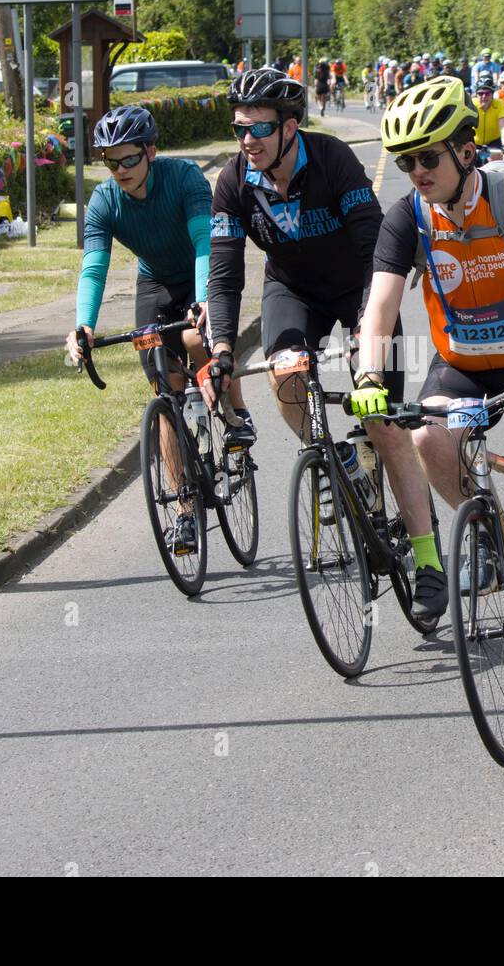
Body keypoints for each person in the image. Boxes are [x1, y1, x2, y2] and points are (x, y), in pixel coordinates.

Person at [204, 68, 445, 615]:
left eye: (260, 129)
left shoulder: (334, 159)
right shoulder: (233, 182)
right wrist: (221, 346)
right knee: (284, 374)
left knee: (383, 421)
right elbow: (224, 274)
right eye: (240, 129)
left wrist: (368, 326)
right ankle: (336, 459)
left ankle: (429, 560)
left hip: (359, 288)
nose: (248, 141)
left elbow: (374, 250)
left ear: (291, 127)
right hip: (293, 291)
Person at [353, 75, 504, 626]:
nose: (417, 173)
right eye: (405, 162)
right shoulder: (408, 218)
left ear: (466, 149)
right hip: (461, 367)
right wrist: (366, 377)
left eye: (427, 157)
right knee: (429, 436)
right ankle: (483, 535)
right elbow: (379, 308)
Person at [65, 104, 253, 555]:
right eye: (111, 162)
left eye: (129, 159)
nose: (120, 170)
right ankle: (186, 514)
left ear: (152, 151)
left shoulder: (183, 178)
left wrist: (204, 299)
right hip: (154, 282)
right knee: (164, 392)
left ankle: (235, 416)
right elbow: (94, 269)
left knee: (194, 337)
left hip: (199, 270)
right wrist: (84, 326)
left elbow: (204, 242)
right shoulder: (104, 202)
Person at [471, 72, 504, 153]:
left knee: (495, 159)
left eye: (487, 93)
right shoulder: (471, 105)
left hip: (494, 141)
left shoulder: (500, 104)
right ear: (476, 94)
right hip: (474, 142)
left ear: (493, 94)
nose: (484, 96)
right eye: (480, 93)